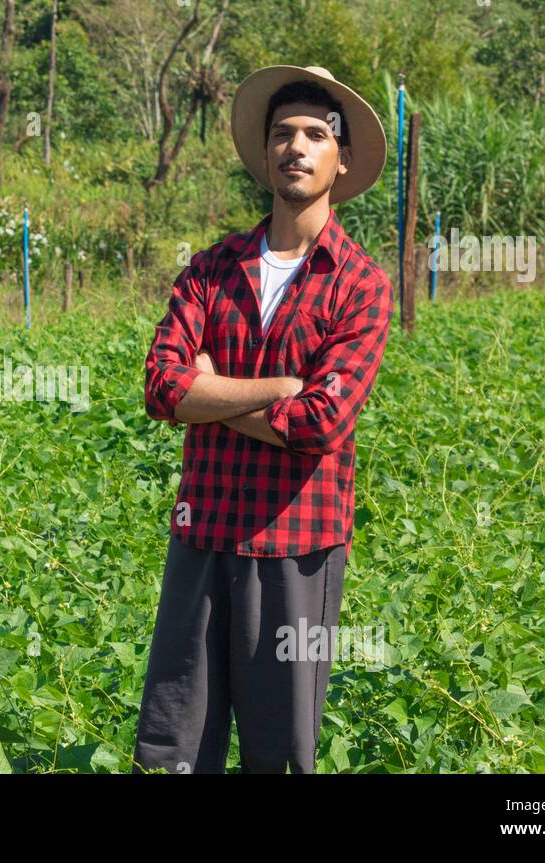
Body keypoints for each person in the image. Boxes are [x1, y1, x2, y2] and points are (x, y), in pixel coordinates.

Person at [134, 65, 394, 774]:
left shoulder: (361, 283)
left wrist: (213, 394)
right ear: (265, 152)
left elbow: (321, 421)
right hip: (203, 536)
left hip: (297, 549)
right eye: (283, 133)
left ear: (340, 160)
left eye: (316, 134)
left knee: (281, 752)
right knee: (172, 747)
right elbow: (162, 385)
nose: (296, 147)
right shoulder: (211, 269)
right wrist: (278, 385)